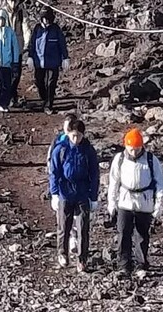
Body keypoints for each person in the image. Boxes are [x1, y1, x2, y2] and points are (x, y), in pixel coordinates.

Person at [107, 127, 163, 279]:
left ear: (142, 146)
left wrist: (158, 206)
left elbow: (161, 183)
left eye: (137, 149)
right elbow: (113, 182)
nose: (134, 152)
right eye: (131, 149)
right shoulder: (119, 159)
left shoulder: (151, 160)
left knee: (142, 235)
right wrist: (111, 203)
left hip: (144, 202)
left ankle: (141, 264)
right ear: (125, 146)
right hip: (125, 202)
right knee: (123, 234)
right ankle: (124, 265)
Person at [48, 116, 99, 271]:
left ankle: (82, 259)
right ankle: (62, 254)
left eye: (79, 135)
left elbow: (94, 173)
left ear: (83, 135)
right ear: (68, 133)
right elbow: (54, 172)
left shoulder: (88, 151)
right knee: (64, 225)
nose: (76, 139)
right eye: (73, 135)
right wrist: (55, 193)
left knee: (83, 226)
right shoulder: (61, 149)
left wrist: (94, 196)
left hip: (83, 192)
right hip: (65, 192)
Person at [27, 8, 70, 112]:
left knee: (51, 83)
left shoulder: (56, 29)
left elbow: (62, 44)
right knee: (39, 81)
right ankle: (44, 99)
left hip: (53, 61)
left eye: (47, 18)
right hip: (39, 61)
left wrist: (65, 57)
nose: (46, 20)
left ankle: (48, 105)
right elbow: (32, 43)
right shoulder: (37, 29)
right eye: (44, 18)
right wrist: (30, 56)